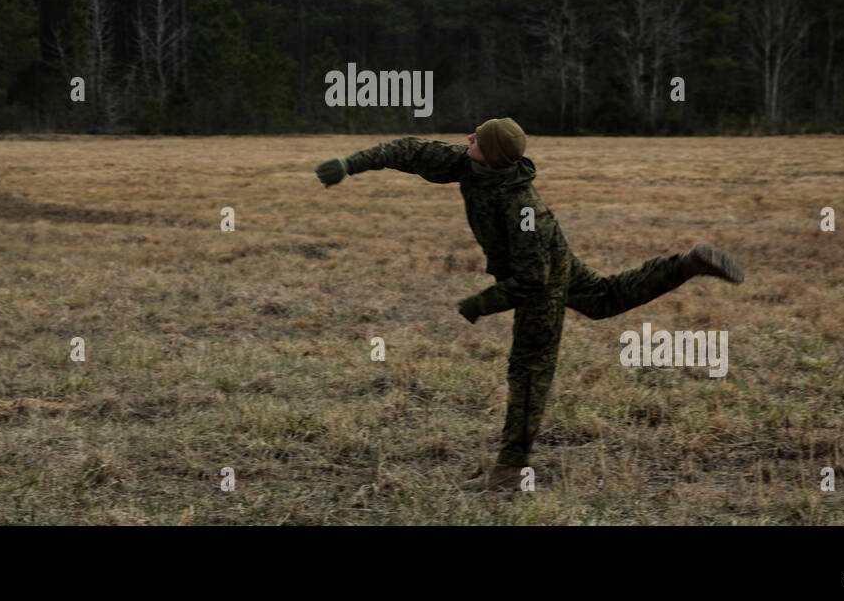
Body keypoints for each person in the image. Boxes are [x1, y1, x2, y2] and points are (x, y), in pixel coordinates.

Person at [315, 117, 744, 491]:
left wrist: (483, 303)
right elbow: (407, 150)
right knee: (604, 299)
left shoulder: (524, 210)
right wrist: (351, 164)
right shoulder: (468, 164)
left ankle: (509, 470)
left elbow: (531, 282)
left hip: (540, 275)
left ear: (492, 155)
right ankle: (687, 265)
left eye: (477, 139)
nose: (468, 139)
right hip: (546, 261)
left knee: (529, 369)